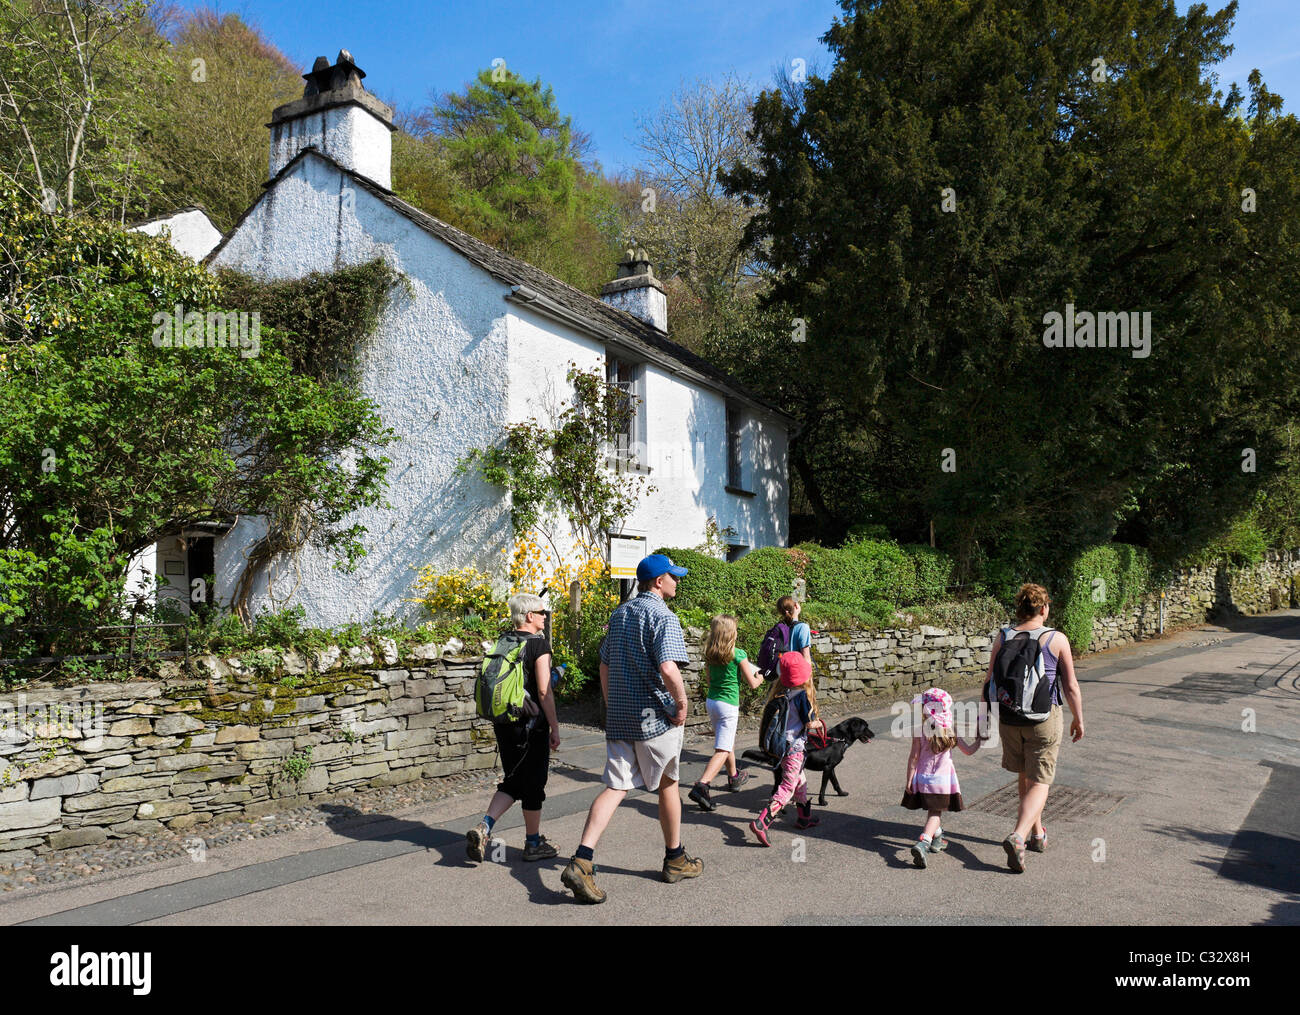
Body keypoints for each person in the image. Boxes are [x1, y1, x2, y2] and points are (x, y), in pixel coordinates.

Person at [560, 554, 702, 904]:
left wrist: (611, 703)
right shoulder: (663, 616)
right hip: (655, 719)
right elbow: (669, 669)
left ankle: (582, 859)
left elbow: (604, 663)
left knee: (615, 786)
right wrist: (681, 705)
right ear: (658, 582)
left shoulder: (619, 614)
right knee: (668, 785)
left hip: (621, 719)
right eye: (673, 577)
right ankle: (675, 859)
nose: (677, 582)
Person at [983, 582, 1086, 873]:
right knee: (1041, 781)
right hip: (1044, 719)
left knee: (1025, 775)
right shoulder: (1056, 638)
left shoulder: (1003, 636)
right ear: (1044, 609)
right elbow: (1070, 685)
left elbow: (990, 679)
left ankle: (1036, 834)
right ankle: (1018, 835)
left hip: (1010, 719)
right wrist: (1079, 718)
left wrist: (985, 717)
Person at [466, 593, 561, 864]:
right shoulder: (538, 645)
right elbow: (544, 691)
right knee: (533, 785)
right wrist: (554, 726)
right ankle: (531, 843)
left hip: (503, 722)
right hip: (531, 727)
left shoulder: (504, 641)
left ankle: (485, 828)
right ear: (530, 616)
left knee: (514, 779)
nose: (546, 616)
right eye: (543, 612)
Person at [749, 651, 825, 846]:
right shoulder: (802, 697)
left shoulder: (781, 693)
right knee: (788, 787)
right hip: (794, 750)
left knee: (801, 781)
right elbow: (809, 724)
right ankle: (763, 821)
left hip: (782, 747)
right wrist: (818, 723)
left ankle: (804, 818)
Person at [688, 614, 763, 811]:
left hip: (712, 702)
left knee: (725, 741)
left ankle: (734, 777)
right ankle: (702, 785)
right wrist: (762, 675)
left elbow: (710, 680)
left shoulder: (710, 654)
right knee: (722, 748)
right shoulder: (738, 654)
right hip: (728, 705)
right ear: (732, 634)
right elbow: (753, 684)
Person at [902, 686, 980, 868]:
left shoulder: (920, 729)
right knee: (935, 812)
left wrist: (909, 780)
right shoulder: (949, 730)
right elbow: (968, 751)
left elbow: (914, 758)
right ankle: (924, 841)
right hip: (941, 781)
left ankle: (938, 839)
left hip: (922, 779)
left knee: (933, 809)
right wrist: (979, 740)